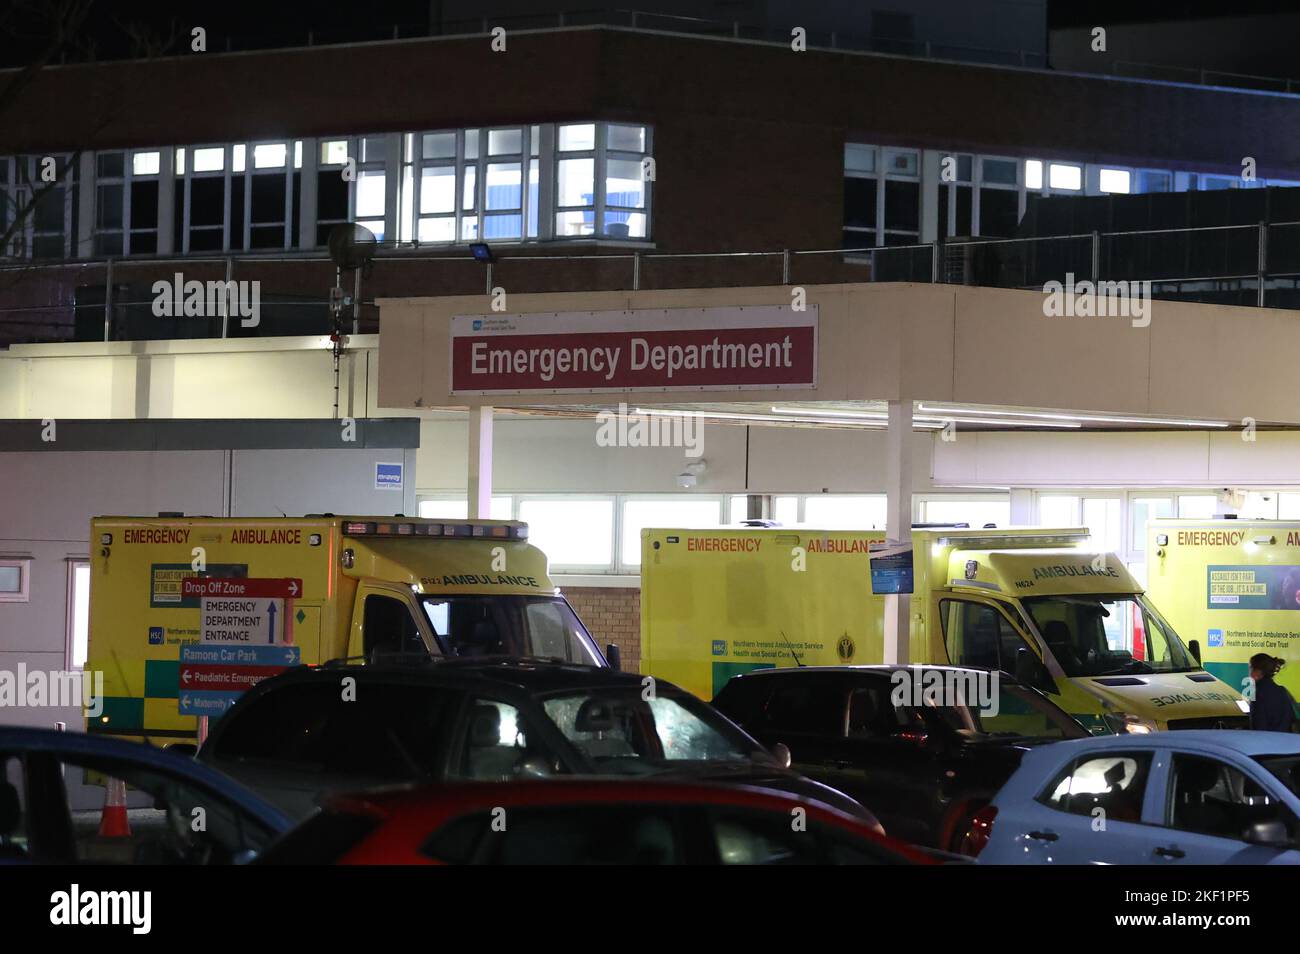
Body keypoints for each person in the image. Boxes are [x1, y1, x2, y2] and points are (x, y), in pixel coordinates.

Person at [1249, 654, 1297, 733]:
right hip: (1286, 738)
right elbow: (1291, 719)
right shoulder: (1282, 691)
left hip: (1267, 739)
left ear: (1258, 671)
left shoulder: (1258, 694)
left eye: (1250, 668)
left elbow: (1259, 727)